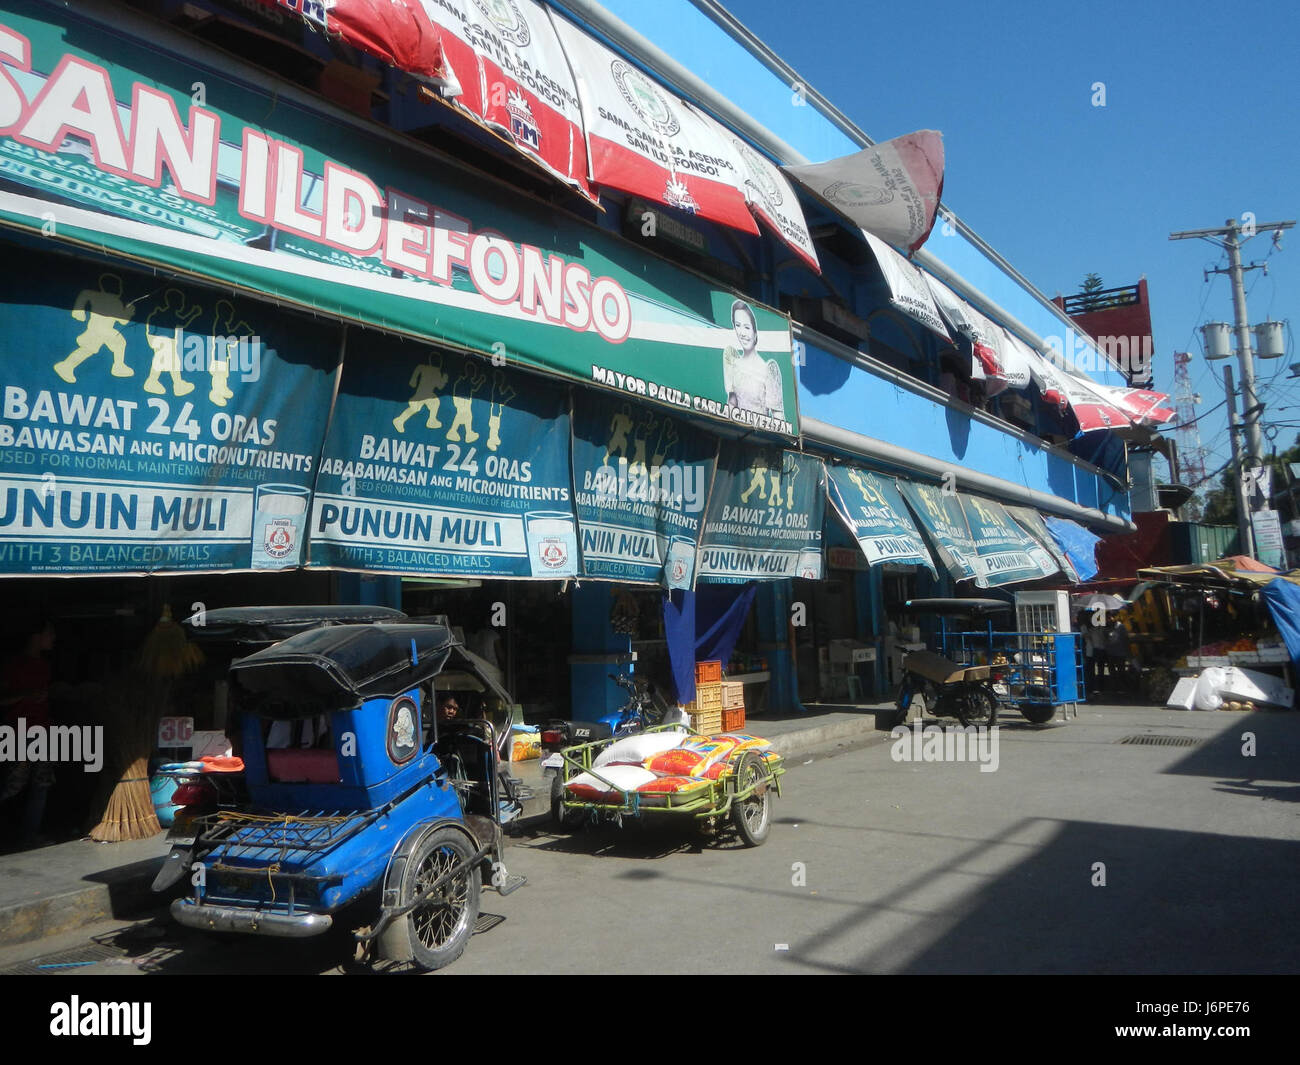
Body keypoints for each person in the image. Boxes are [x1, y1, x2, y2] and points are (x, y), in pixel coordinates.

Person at [0, 619, 57, 848]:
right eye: (49, 632)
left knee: (41, 785)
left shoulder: (44, 665)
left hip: (42, 731)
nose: (53, 638)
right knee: (12, 785)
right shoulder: (13, 665)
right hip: (19, 732)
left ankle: (30, 835)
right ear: (36, 636)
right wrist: (26, 695)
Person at [722, 299, 784, 421]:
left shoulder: (768, 369)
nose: (742, 333)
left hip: (759, 436)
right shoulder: (732, 360)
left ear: (755, 332)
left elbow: (778, 417)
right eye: (738, 326)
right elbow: (732, 403)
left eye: (747, 327)